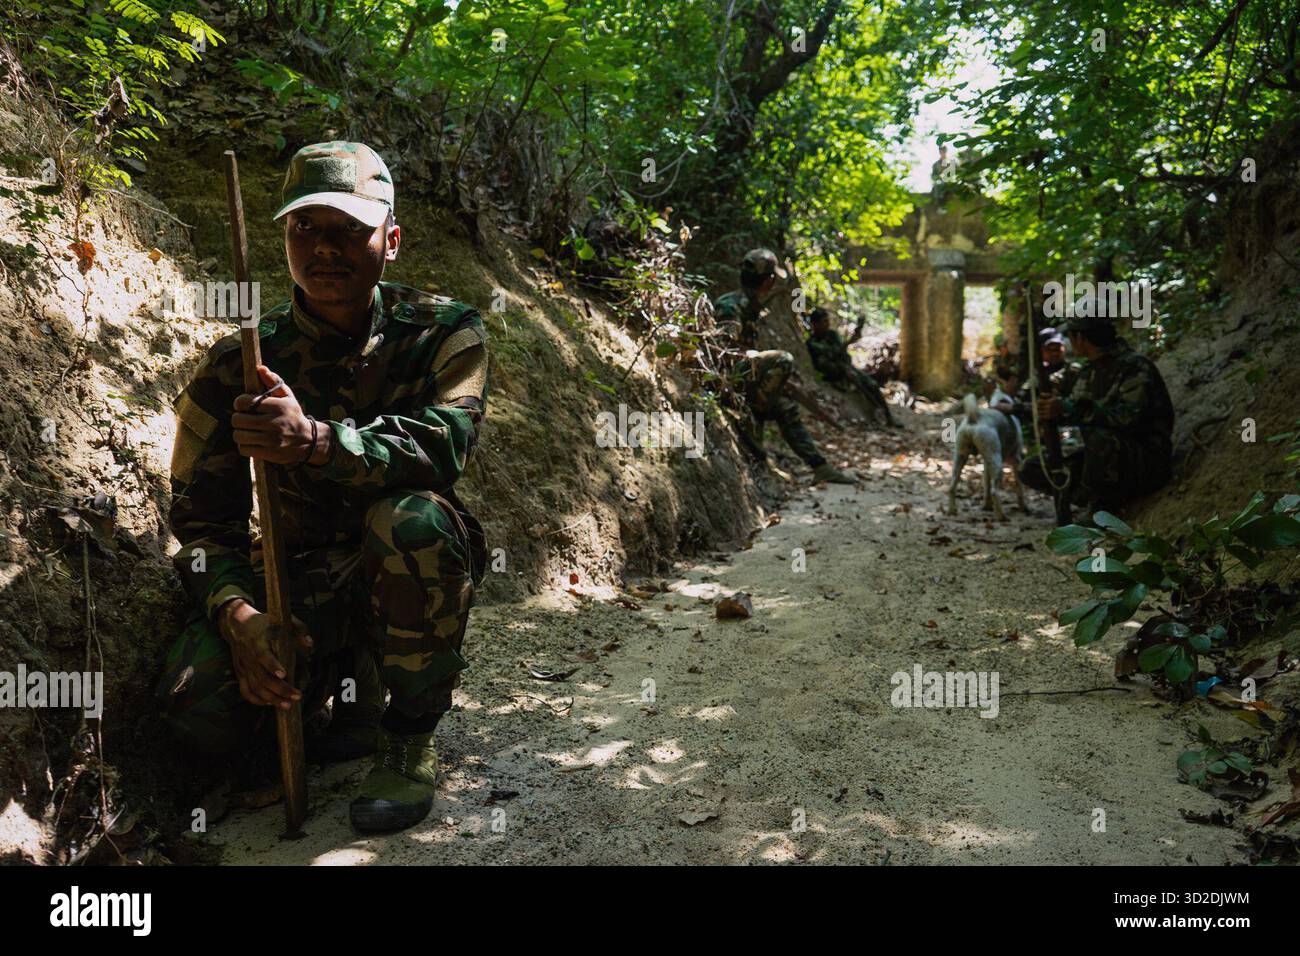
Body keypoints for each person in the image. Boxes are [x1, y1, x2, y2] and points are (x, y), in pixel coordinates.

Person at [156, 141, 489, 833]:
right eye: (305, 227)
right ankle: (325, 687)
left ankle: (404, 733)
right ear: (282, 237)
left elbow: (441, 446)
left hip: (404, 565)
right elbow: (201, 525)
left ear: (390, 241)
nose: (325, 248)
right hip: (297, 578)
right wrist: (239, 618)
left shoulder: (444, 332)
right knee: (196, 706)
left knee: (411, 522)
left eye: (349, 230)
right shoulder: (240, 363)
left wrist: (312, 442)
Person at [713, 249, 855, 483]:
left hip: (741, 379)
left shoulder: (750, 306)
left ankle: (819, 467)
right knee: (783, 360)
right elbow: (725, 351)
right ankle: (755, 418)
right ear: (769, 280)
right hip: (727, 382)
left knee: (786, 407)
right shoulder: (732, 305)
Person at [1017, 316, 1173, 517]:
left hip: (1144, 461)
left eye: (1071, 337)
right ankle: (1095, 499)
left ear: (1080, 338)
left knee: (1101, 439)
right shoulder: (1089, 371)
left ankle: (1103, 510)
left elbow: (1128, 419)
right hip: (1105, 459)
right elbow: (1075, 410)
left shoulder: (1134, 367)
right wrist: (1051, 411)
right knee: (1031, 468)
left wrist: (1067, 409)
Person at [805, 307, 900, 428]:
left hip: (845, 368)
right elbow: (829, 354)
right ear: (815, 324)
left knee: (872, 385)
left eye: (827, 320)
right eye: (824, 321)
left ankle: (888, 417)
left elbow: (842, 353)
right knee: (857, 382)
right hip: (833, 373)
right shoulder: (812, 342)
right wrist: (847, 345)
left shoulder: (832, 335)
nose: (827, 324)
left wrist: (847, 358)